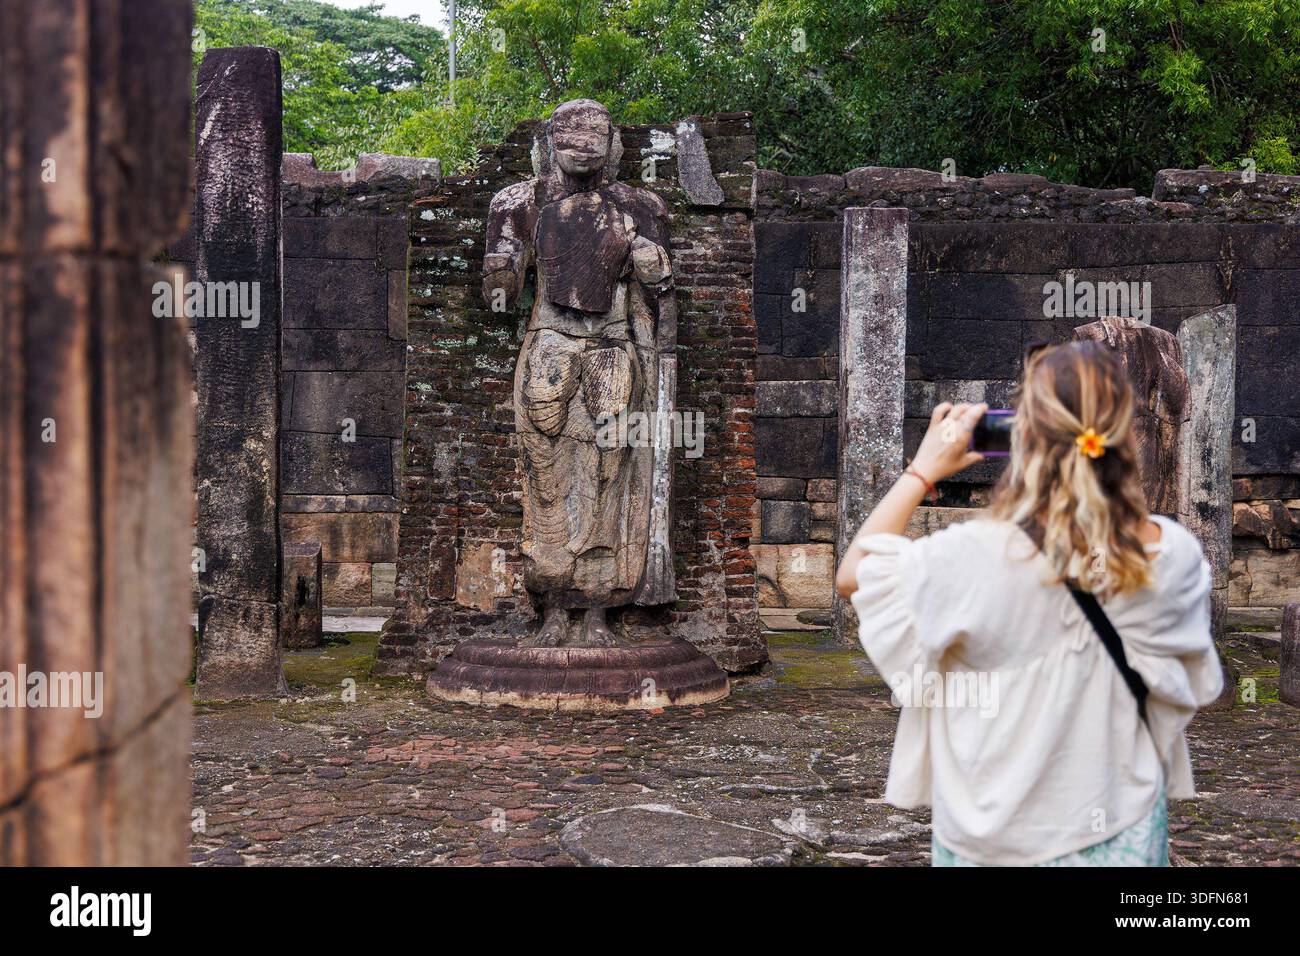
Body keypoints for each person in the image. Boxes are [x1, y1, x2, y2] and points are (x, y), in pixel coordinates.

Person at [835, 340, 1223, 866]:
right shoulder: (1173, 555)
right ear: (1124, 435)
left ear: (1023, 436)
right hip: (1118, 827)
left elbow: (853, 573)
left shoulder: (970, 558)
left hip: (993, 837)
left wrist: (922, 472)